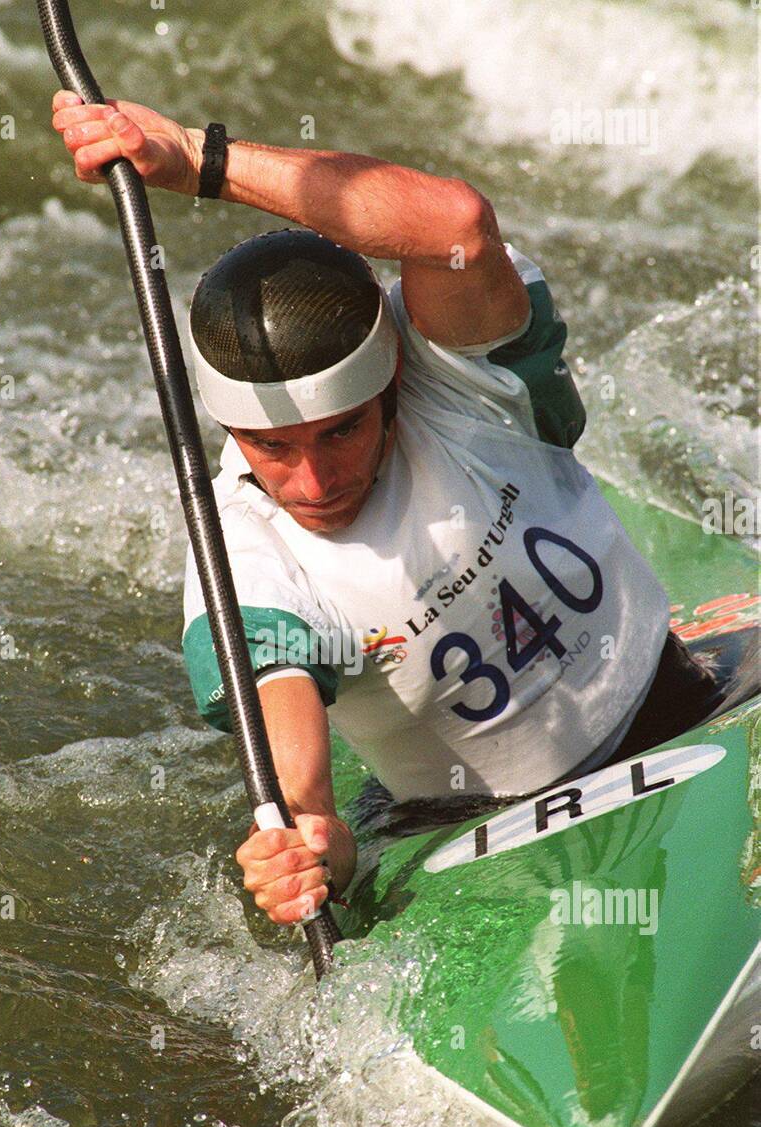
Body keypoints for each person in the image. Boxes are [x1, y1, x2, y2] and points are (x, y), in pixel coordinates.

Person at [51, 91, 719, 928]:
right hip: (473, 830)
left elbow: (457, 222)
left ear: (392, 380)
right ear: (230, 429)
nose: (312, 480)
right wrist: (305, 848)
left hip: (684, 710)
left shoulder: (454, 377)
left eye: (341, 433)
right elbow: (305, 796)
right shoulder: (242, 557)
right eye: (272, 448)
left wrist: (197, 159)